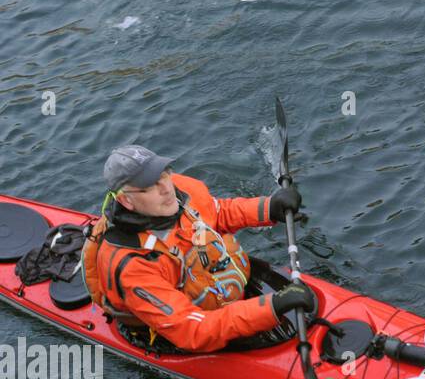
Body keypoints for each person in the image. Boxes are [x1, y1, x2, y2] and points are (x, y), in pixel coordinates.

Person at [82, 144, 316, 352]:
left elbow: (218, 213)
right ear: (126, 201)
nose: (165, 188)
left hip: (205, 287)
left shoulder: (177, 191)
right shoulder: (133, 266)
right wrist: (272, 307)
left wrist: (268, 208)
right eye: (149, 186)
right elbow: (193, 330)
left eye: (163, 174)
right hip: (178, 327)